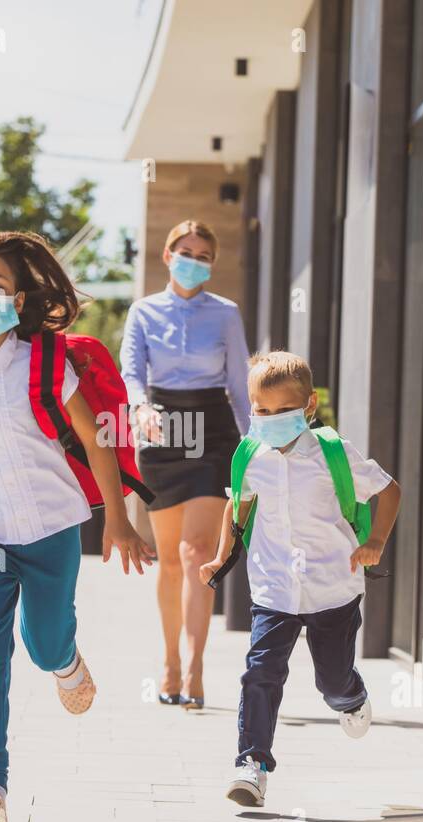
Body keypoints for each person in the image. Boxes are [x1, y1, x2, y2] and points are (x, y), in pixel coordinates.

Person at [0, 231, 156, 822]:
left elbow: (96, 439)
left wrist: (119, 520)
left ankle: (66, 661)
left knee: (45, 644)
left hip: (52, 526)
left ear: (17, 301)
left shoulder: (44, 362)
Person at [198, 351, 401, 807]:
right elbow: (239, 505)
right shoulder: (250, 455)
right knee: (260, 674)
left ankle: (350, 696)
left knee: (330, 680)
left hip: (334, 588)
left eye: (281, 410)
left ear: (308, 406)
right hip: (273, 589)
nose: (268, 419)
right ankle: (251, 764)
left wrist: (377, 543)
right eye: (260, 410)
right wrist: (219, 557)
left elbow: (389, 490)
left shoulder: (334, 454)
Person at [120, 220, 251, 710]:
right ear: (167, 254)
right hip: (161, 429)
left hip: (212, 430)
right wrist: (139, 407)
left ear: (212, 264)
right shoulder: (143, 311)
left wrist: (253, 446)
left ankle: (196, 669)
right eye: (185, 251)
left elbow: (239, 383)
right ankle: (170, 663)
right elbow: (131, 370)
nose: (192, 260)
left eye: (202, 254)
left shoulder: (226, 314)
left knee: (200, 552)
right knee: (170, 559)